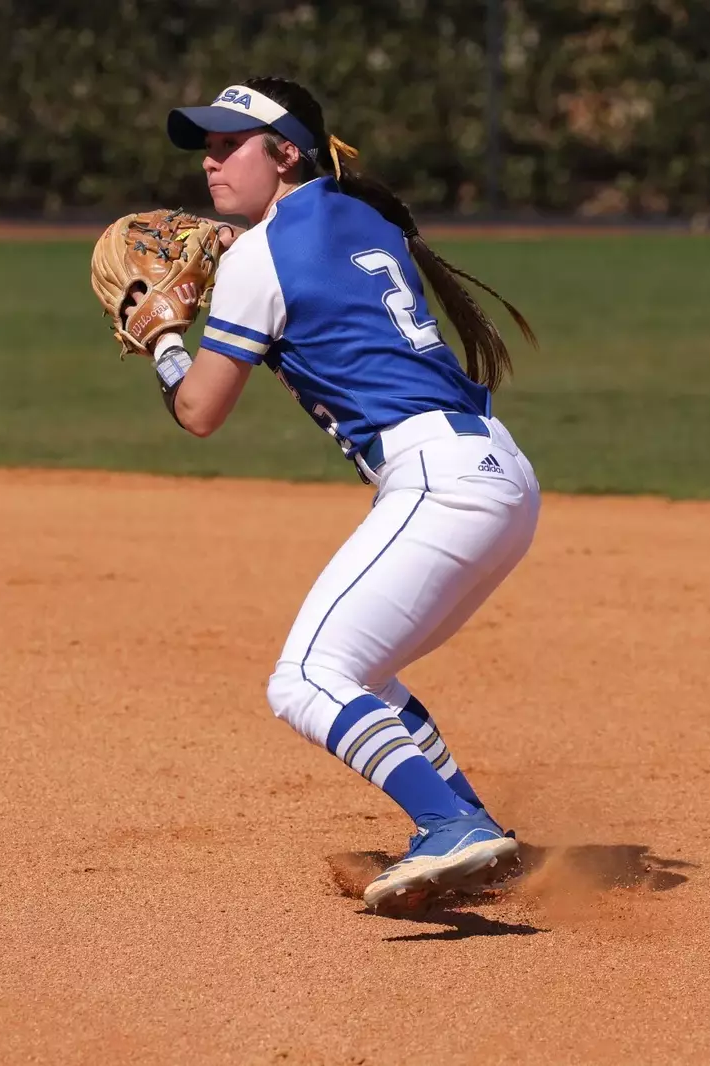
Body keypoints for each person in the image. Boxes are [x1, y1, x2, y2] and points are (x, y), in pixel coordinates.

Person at [154, 77, 542, 913]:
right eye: (207, 149)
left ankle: (452, 825)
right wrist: (234, 249)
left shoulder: (259, 259)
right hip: (495, 476)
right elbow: (309, 255)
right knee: (369, 673)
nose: (212, 163)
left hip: (437, 483)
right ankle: (476, 829)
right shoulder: (367, 215)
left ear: (285, 152)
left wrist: (161, 340)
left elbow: (199, 413)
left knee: (304, 679)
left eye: (231, 146)